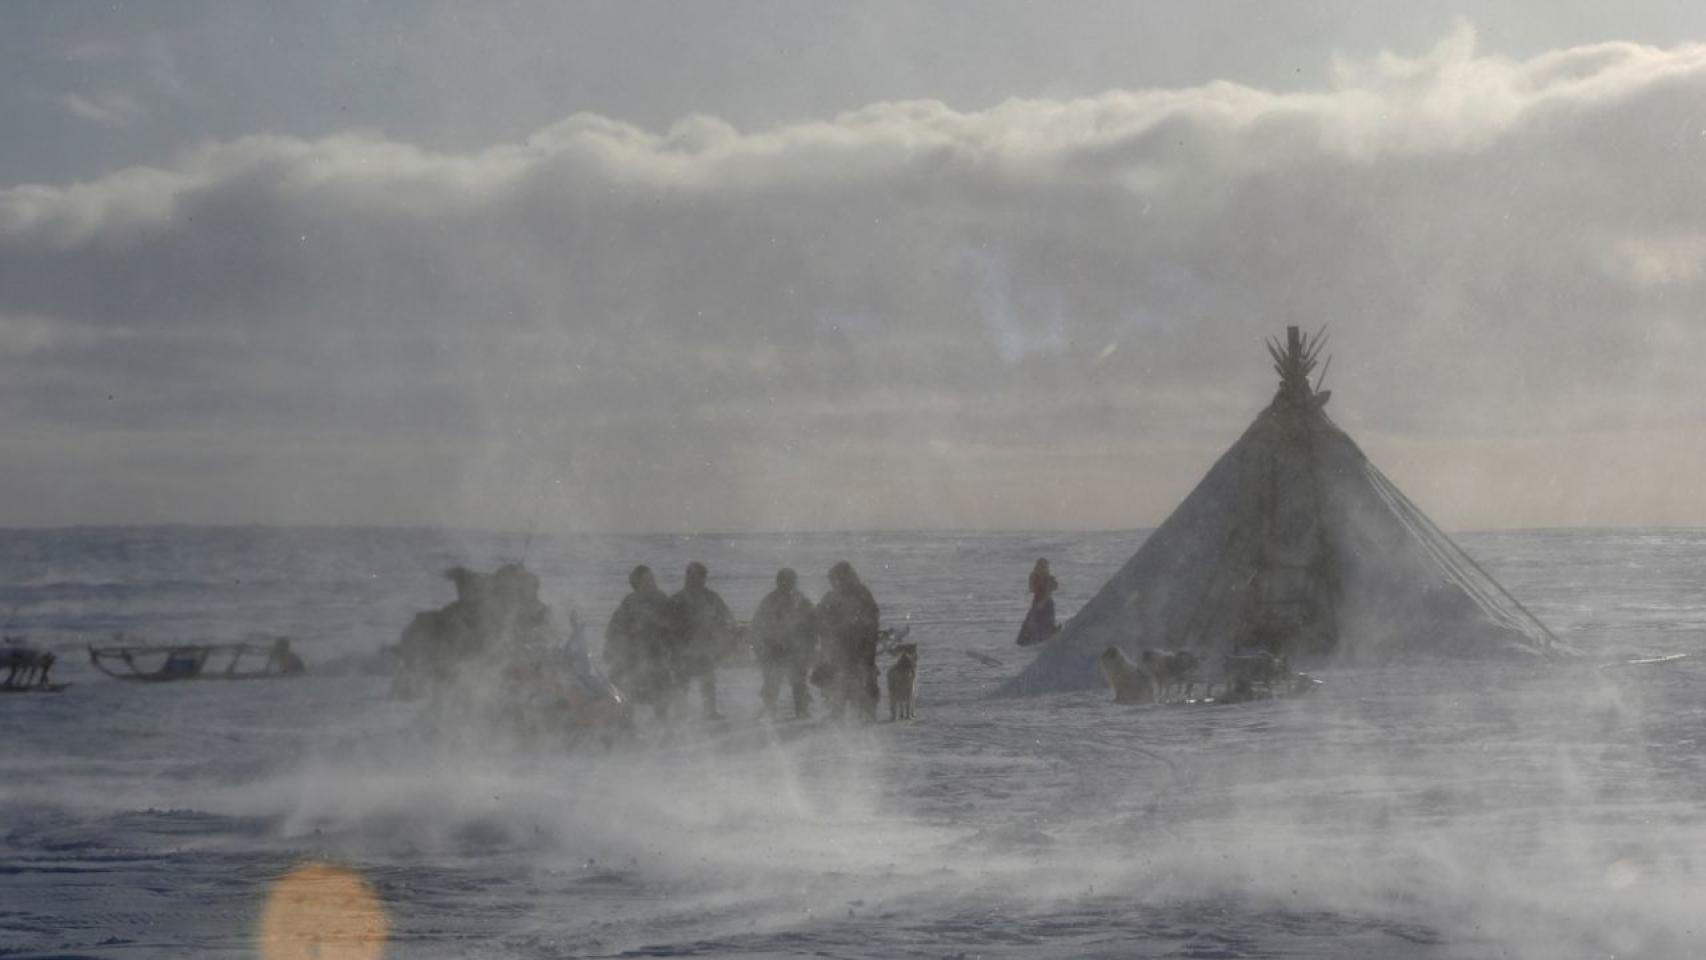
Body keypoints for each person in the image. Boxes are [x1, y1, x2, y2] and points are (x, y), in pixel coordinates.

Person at [603, 565, 677, 722]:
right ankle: (627, 724)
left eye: (651, 579)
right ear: (637, 584)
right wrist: (612, 648)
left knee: (661, 690)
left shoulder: (661, 599)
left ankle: (662, 723)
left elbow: (673, 624)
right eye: (647, 580)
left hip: (656, 653)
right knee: (626, 687)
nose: (651, 583)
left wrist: (668, 640)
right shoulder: (630, 602)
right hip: (634, 654)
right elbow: (614, 627)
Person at [671, 561, 738, 722]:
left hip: (704, 648)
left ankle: (709, 713)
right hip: (683, 650)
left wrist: (726, 635)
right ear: (688, 578)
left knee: (707, 682)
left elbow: (727, 618)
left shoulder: (711, 598)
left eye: (701, 577)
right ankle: (681, 715)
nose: (698, 581)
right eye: (693, 577)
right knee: (683, 684)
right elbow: (667, 626)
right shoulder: (677, 599)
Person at [814, 561, 880, 722]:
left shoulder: (861, 594)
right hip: (837, 647)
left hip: (859, 647)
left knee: (861, 680)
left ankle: (865, 713)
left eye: (837, 579)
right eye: (833, 580)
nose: (835, 583)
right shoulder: (831, 596)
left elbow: (872, 618)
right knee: (837, 680)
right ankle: (838, 711)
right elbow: (817, 616)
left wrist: (864, 637)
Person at [749, 567, 818, 719]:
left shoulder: (801, 600)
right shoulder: (770, 600)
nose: (787, 584)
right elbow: (757, 625)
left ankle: (802, 712)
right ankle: (770, 712)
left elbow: (813, 624)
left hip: (796, 650)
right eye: (784, 581)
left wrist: (810, 646)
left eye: (790, 581)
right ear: (778, 582)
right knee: (772, 683)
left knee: (798, 683)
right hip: (775, 649)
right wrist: (760, 648)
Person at [1016, 558, 1059, 647]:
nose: (1043, 568)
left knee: (1043, 622)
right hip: (1038, 601)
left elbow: (1051, 589)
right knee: (1033, 622)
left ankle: (1044, 638)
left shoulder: (1048, 578)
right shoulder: (1035, 576)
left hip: (1045, 602)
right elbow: (1032, 589)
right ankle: (1031, 640)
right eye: (1041, 566)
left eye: (1045, 566)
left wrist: (1043, 599)